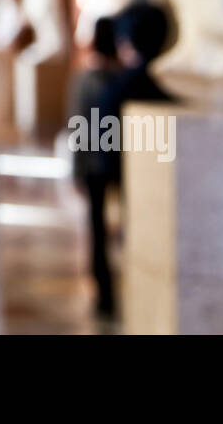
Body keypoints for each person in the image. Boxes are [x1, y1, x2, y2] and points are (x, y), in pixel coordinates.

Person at [78, 2, 172, 317]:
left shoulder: (116, 87)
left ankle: (108, 295)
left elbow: (92, 136)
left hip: (112, 172)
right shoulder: (167, 87)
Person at [66, 16, 122, 316]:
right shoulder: (121, 78)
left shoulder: (85, 80)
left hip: (95, 164)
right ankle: (108, 289)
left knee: (98, 230)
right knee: (108, 230)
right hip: (116, 163)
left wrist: (77, 169)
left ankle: (106, 291)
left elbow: (76, 127)